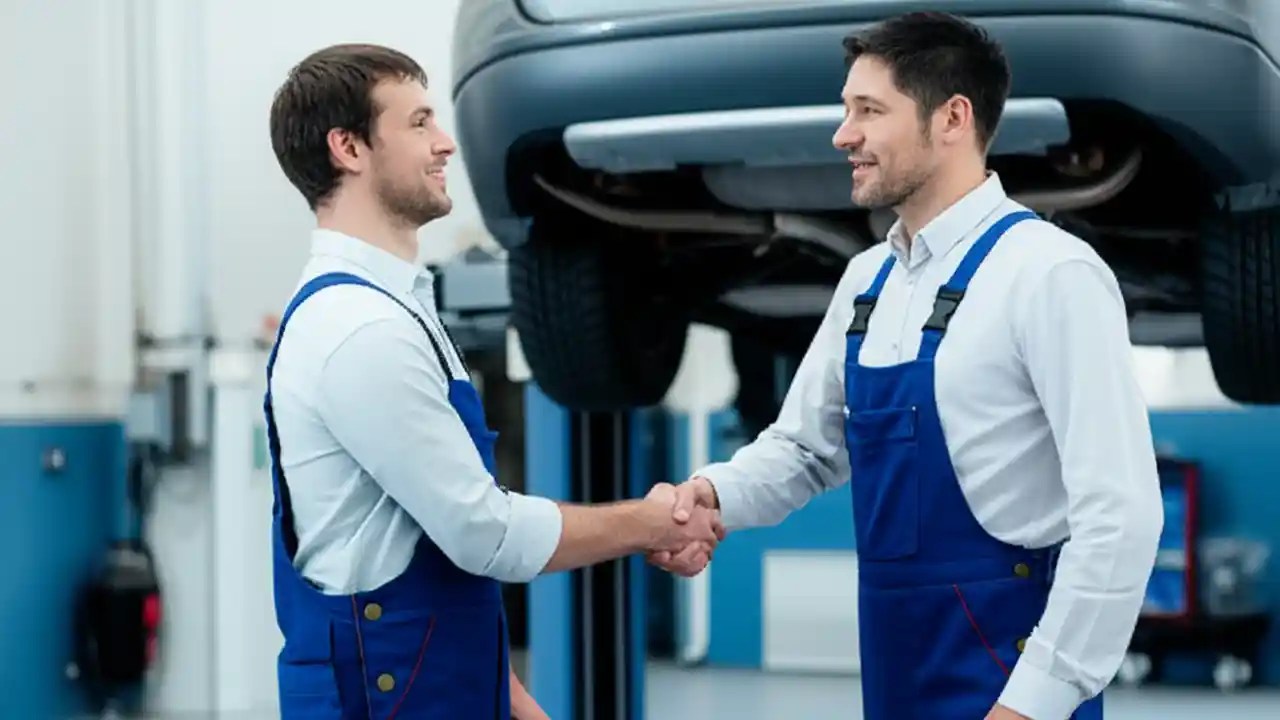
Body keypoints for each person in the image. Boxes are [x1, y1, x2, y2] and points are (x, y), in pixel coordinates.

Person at [649, 11, 1163, 720]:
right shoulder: (866, 281)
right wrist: (711, 497)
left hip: (1012, 684)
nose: (843, 134)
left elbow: (1121, 513)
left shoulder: (1049, 274)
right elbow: (805, 449)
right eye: (845, 110)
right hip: (897, 674)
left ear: (952, 118)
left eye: (869, 110)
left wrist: (1036, 700)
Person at [263, 43, 722, 720]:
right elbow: (485, 534)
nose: (445, 143)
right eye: (419, 123)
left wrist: (511, 702)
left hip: (431, 685)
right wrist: (653, 522)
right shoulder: (358, 330)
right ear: (348, 148)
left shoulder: (394, 310)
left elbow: (432, 559)